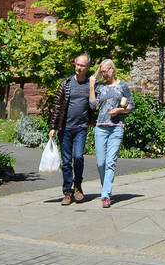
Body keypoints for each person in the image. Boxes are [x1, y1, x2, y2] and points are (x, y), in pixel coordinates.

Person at [47, 53, 96, 205]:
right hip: (65, 128)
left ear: (87, 67)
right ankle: (67, 192)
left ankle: (78, 186)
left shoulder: (90, 84)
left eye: (82, 66)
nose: (78, 68)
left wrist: (93, 86)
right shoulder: (66, 83)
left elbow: (94, 106)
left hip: (81, 127)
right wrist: (53, 127)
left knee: (79, 157)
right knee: (67, 161)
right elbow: (56, 105)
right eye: (77, 65)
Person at [90, 60, 134, 208]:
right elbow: (92, 105)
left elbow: (131, 105)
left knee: (111, 162)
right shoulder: (100, 87)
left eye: (105, 71)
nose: (103, 74)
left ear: (112, 70)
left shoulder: (123, 86)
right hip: (101, 127)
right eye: (101, 72)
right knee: (101, 163)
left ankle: (105, 195)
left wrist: (120, 110)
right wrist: (91, 86)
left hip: (116, 127)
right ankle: (106, 187)